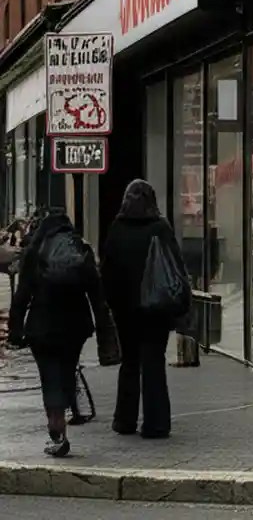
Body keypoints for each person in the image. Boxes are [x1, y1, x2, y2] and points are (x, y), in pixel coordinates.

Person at [6, 210, 106, 457]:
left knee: (49, 376)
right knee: (67, 369)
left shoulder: (36, 251)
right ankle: (67, 406)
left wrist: (15, 329)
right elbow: (96, 293)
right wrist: (104, 326)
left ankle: (57, 428)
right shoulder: (80, 248)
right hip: (75, 325)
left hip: (42, 325)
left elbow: (22, 296)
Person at [100, 179, 187, 439]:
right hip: (156, 309)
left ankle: (124, 420)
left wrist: (112, 304)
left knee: (129, 362)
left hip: (126, 310)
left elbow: (107, 271)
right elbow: (176, 267)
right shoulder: (160, 228)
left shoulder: (117, 228)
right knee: (153, 363)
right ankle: (156, 423)